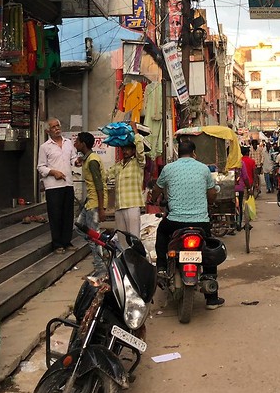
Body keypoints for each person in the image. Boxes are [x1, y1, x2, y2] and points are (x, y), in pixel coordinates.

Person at [151, 139, 223, 310]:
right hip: (201, 223)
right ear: (194, 153)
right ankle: (211, 298)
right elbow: (211, 194)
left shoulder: (168, 169)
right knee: (208, 250)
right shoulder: (204, 169)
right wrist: (210, 200)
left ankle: (161, 267)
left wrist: (154, 200)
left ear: (179, 153)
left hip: (175, 222)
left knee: (162, 232)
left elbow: (157, 190)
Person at [37, 118, 76, 254]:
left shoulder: (68, 143)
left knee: (68, 214)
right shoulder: (45, 147)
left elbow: (73, 158)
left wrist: (77, 162)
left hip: (68, 183)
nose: (56, 128)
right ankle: (57, 243)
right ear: (48, 131)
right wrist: (53, 172)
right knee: (55, 215)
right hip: (53, 186)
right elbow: (40, 167)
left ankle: (67, 241)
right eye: (53, 127)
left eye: (58, 126)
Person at [74, 131, 108, 273]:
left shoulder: (92, 161)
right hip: (90, 202)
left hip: (94, 203)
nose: (75, 143)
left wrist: (101, 208)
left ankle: (101, 269)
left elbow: (99, 186)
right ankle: (103, 249)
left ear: (83, 144)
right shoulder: (88, 158)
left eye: (77, 141)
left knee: (94, 236)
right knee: (79, 227)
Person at [108, 131, 146, 239]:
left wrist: (135, 132)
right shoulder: (118, 166)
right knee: (121, 237)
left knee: (133, 237)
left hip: (132, 205)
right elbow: (105, 175)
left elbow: (140, 151)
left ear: (133, 151)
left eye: (128, 149)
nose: (125, 151)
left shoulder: (138, 163)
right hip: (119, 206)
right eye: (123, 149)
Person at [234, 158, 252, 230]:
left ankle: (231, 224)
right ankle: (239, 224)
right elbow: (245, 177)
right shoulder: (241, 163)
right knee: (239, 206)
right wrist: (249, 188)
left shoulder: (227, 161)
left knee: (229, 207)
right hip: (239, 188)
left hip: (228, 188)